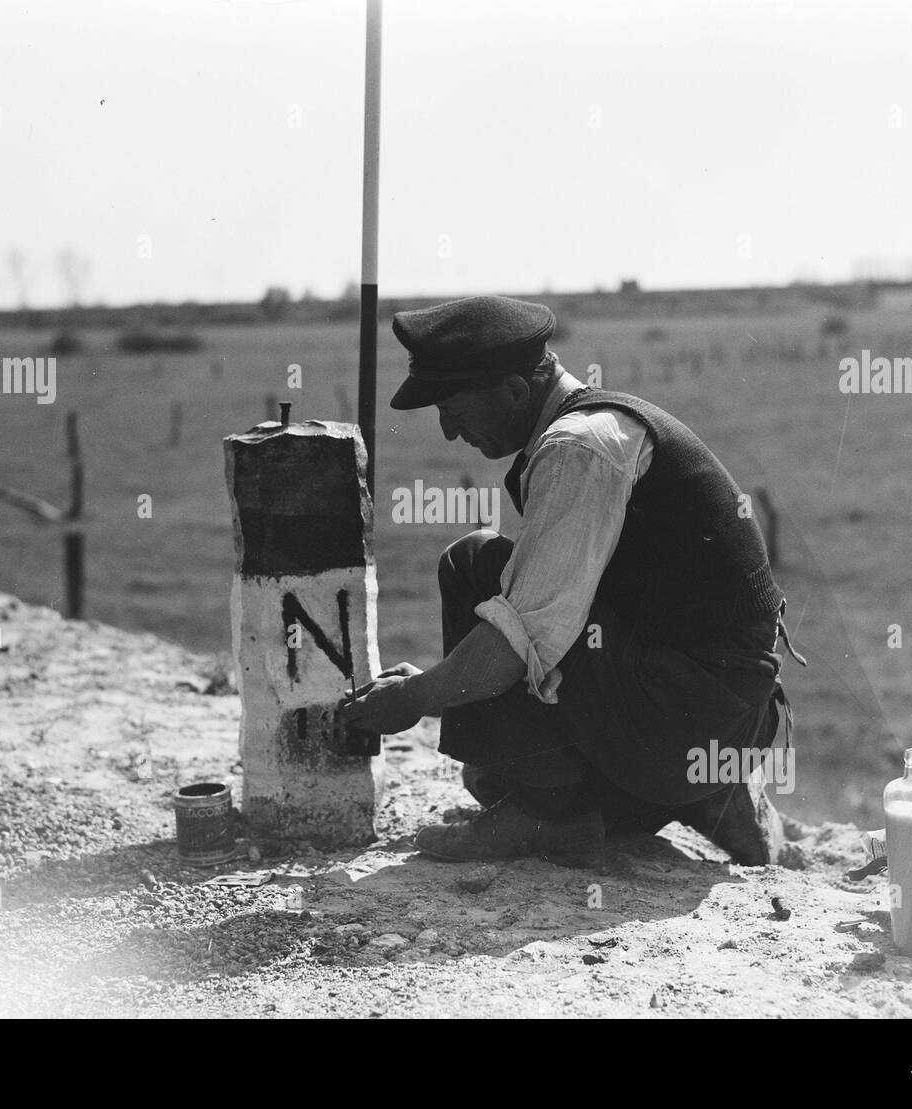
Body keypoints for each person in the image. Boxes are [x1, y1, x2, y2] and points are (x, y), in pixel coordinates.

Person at [339, 295, 804, 864]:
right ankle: (704, 796)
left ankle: (544, 817)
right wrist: (445, 683)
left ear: (514, 390)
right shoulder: (598, 422)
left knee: (474, 567)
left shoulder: (577, 448)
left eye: (455, 414)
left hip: (688, 715)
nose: (448, 435)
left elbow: (522, 638)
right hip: (727, 714)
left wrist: (415, 697)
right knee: (489, 767)